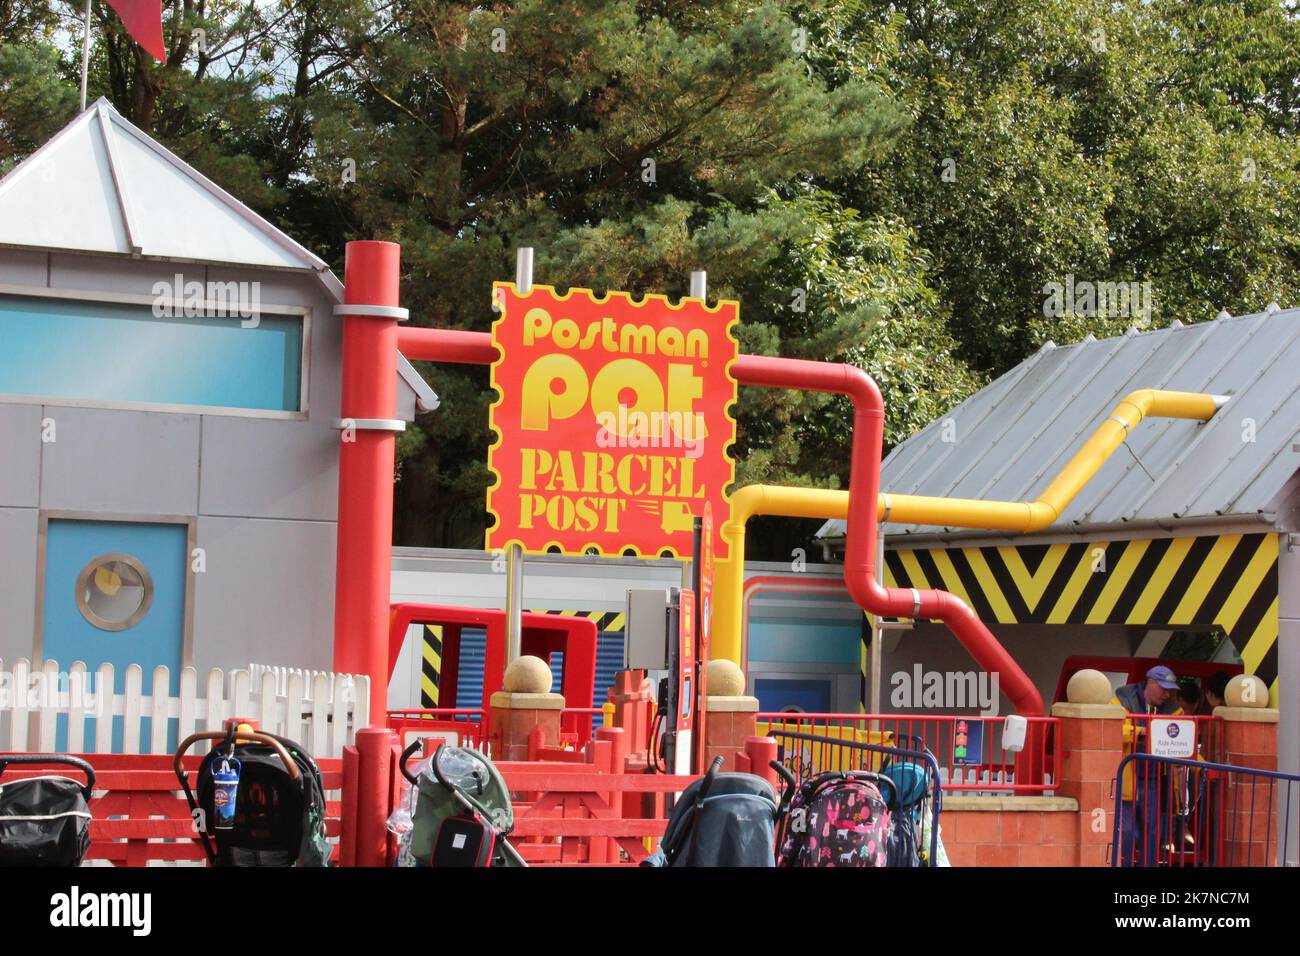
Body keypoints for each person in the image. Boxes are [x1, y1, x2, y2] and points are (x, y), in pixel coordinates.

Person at [1111, 665, 1180, 866]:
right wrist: (1142, 732)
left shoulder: (1175, 710)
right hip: (1128, 780)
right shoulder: (1119, 701)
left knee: (1153, 835)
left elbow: (1185, 742)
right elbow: (1112, 729)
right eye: (1163, 688)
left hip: (1157, 781)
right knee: (1127, 832)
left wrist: (1201, 765)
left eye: (1170, 690)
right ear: (1150, 683)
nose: (1167, 694)